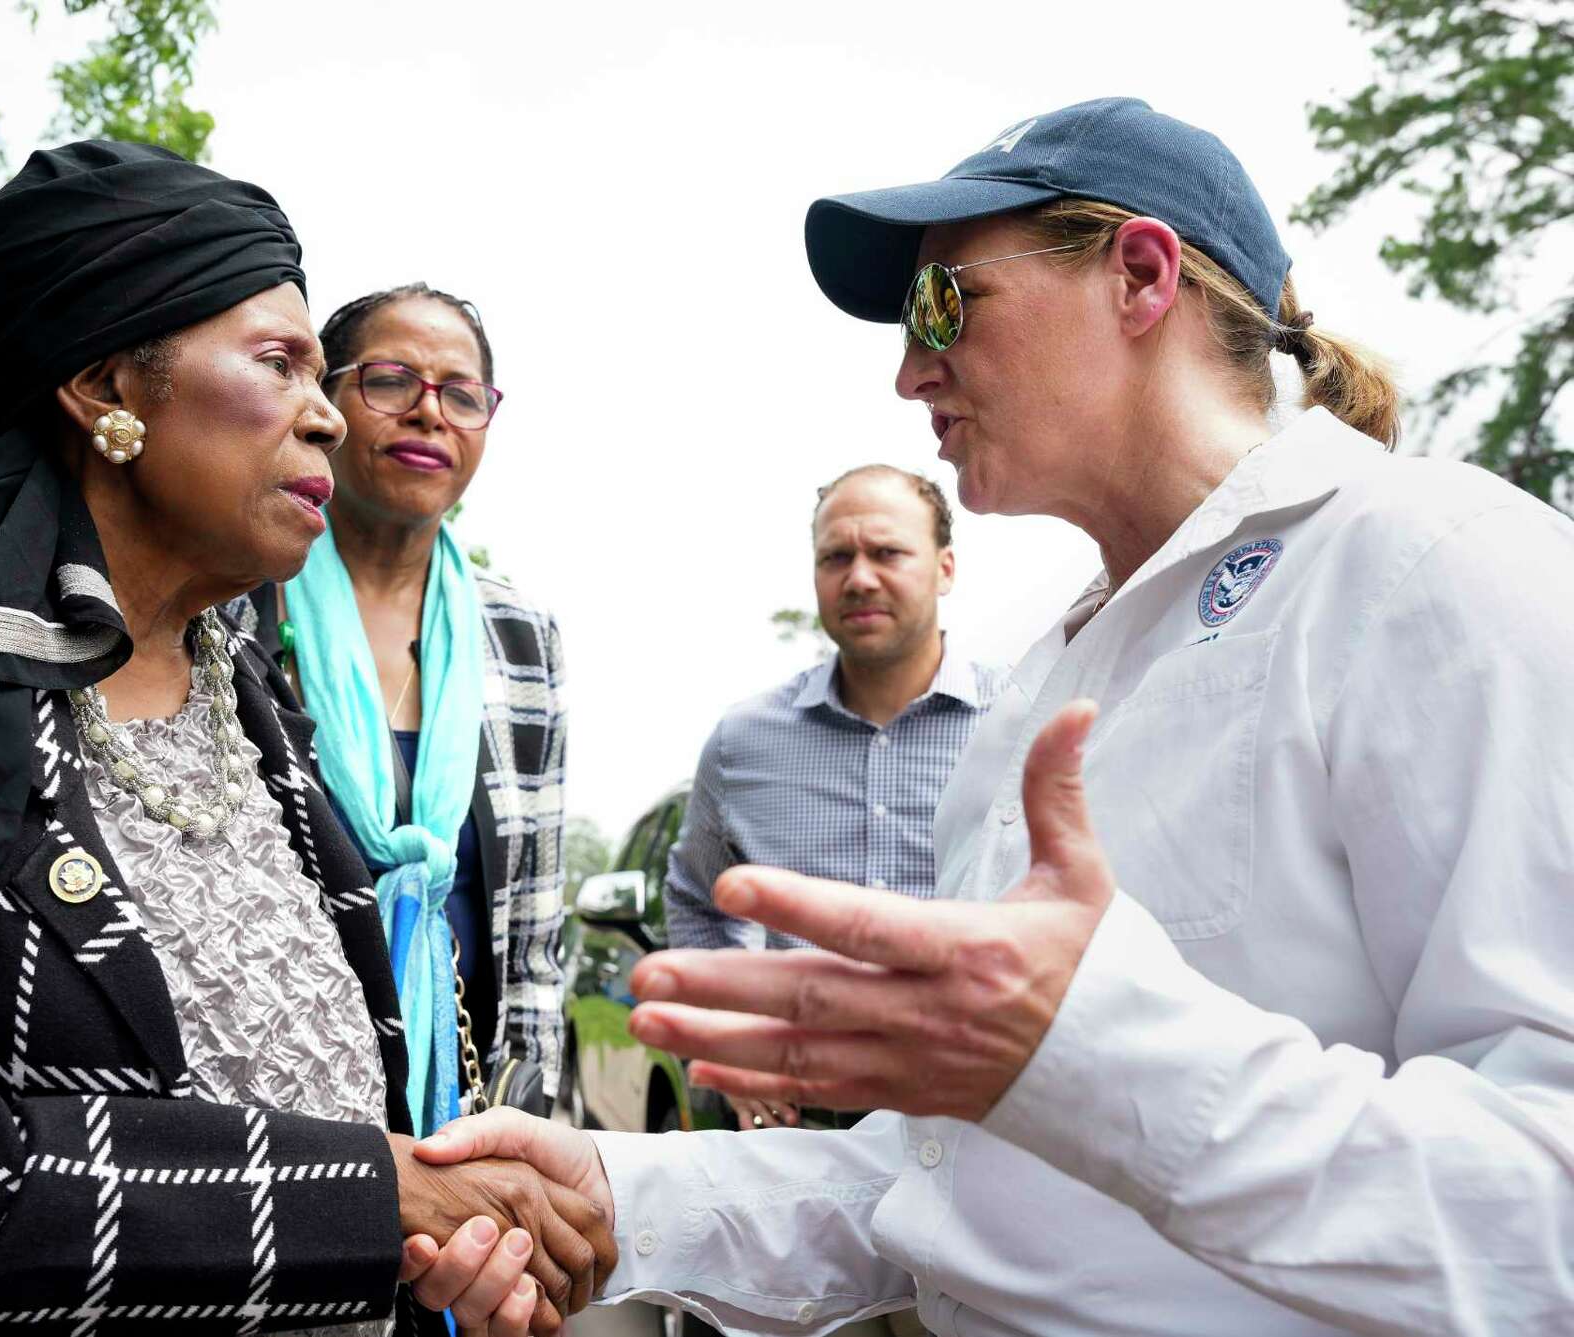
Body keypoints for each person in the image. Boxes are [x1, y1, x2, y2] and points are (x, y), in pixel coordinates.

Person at [414, 97, 1574, 1336]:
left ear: (1139, 275)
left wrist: (1090, 1054)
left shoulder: (1437, 566)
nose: (908, 369)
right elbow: (945, 1186)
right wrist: (621, 1190)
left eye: (941, 303)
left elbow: (1544, 1213)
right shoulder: (1038, 688)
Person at [0, 141, 608, 1337]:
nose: (326, 417)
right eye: (281, 365)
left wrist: (426, 1240)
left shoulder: (246, 689)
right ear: (106, 388)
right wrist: (368, 1196)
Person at [271, 282, 565, 1137]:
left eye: (462, 394)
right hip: (281, 1107)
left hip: (465, 1113)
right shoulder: (244, 608)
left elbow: (535, 922)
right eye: (392, 380)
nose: (429, 413)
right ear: (325, 403)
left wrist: (517, 1123)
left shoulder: (520, 635)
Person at [664, 465, 1006, 1131]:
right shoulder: (744, 743)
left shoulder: (1024, 721)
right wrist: (733, 1039)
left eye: (887, 552)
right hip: (801, 1135)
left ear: (945, 568)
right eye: (836, 557)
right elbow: (693, 898)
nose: (859, 577)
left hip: (986, 1130)